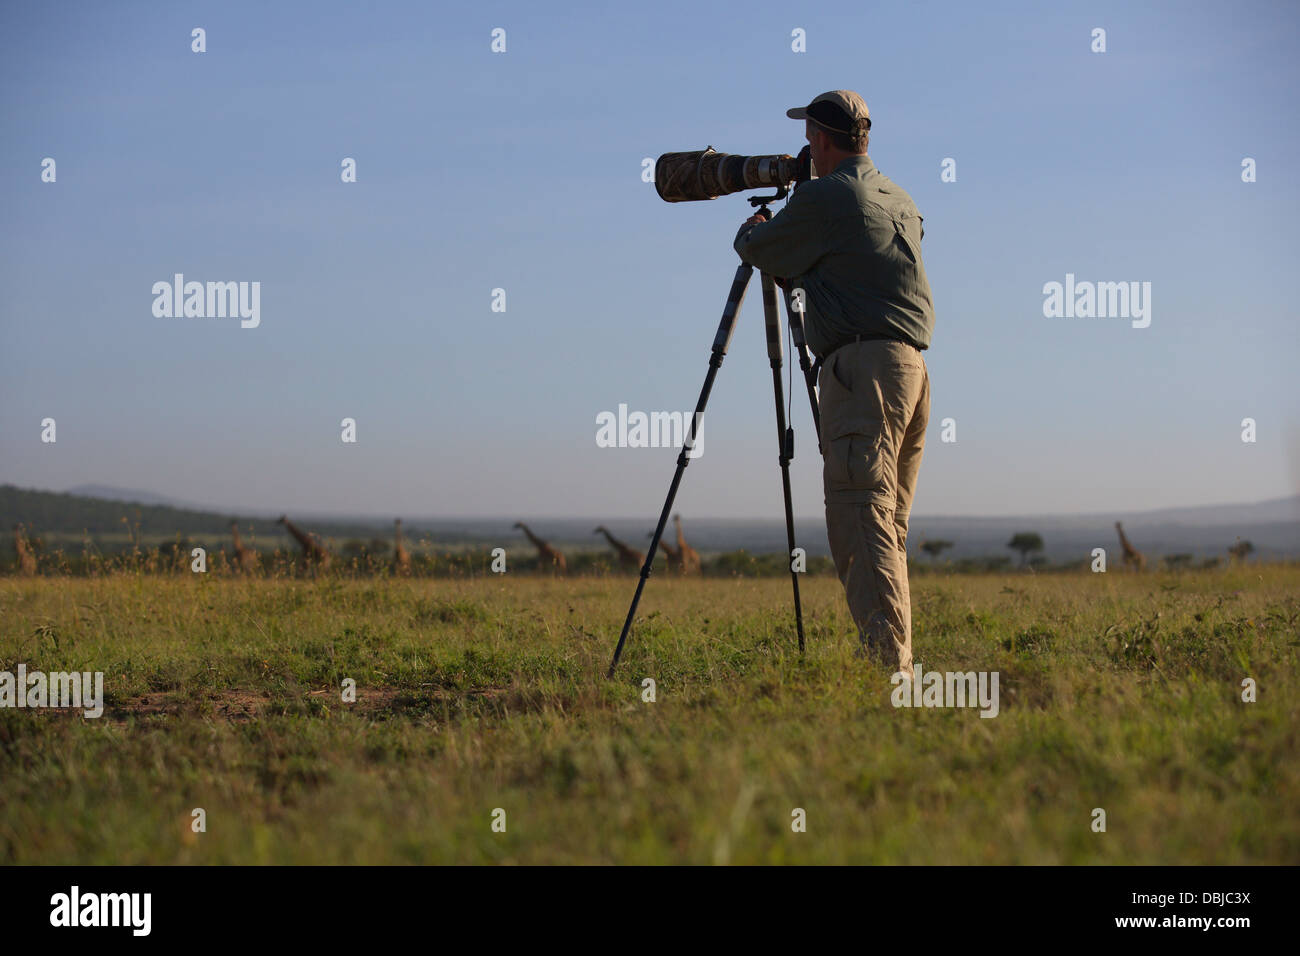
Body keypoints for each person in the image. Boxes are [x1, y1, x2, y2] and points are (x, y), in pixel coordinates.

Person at [733, 90, 935, 679]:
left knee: (859, 516)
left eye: (808, 139)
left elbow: (759, 249)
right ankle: (896, 662)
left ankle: (888, 670)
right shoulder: (898, 195)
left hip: (863, 373)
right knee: (887, 522)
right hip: (912, 372)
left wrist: (755, 227)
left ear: (820, 139)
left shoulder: (827, 197)